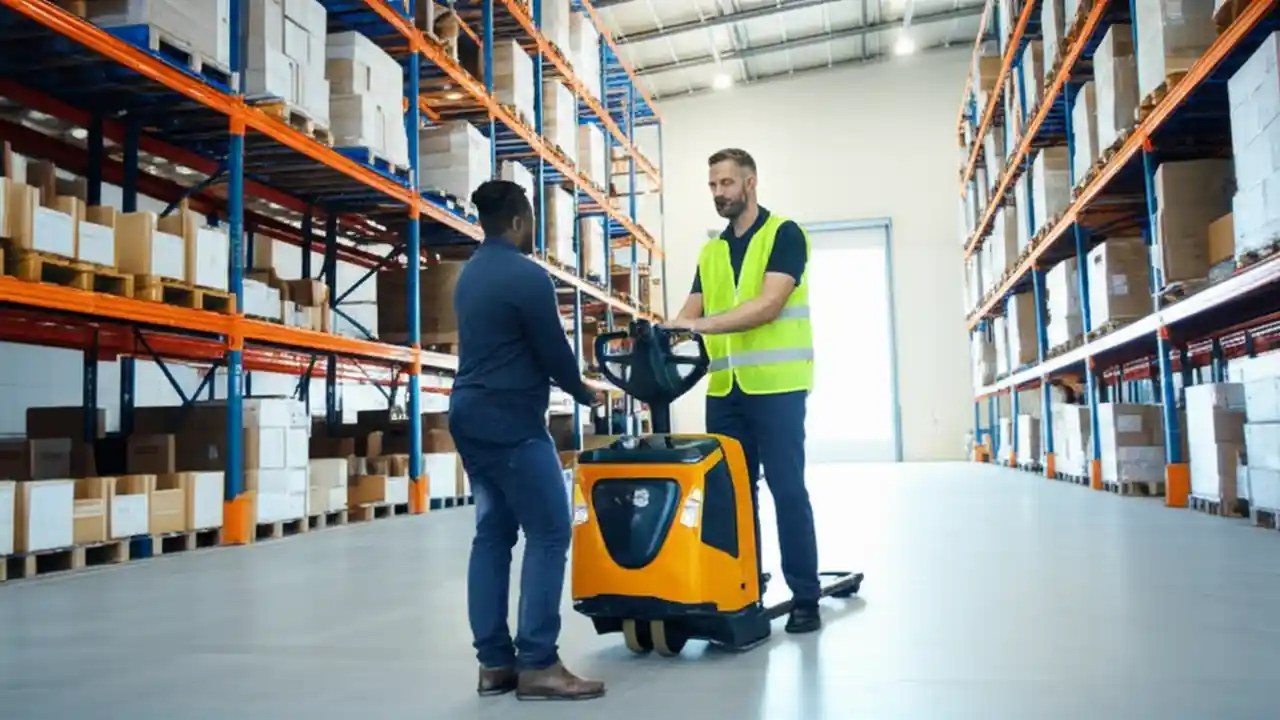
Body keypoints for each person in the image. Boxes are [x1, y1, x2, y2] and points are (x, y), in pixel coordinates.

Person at [448, 179, 605, 701]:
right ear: (519, 221)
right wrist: (588, 394)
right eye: (532, 220)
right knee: (551, 530)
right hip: (510, 423)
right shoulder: (526, 276)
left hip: (468, 416)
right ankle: (537, 663)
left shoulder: (471, 274)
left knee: (493, 534)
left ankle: (494, 664)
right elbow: (554, 354)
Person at [665, 148, 823, 634]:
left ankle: (805, 596)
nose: (719, 194)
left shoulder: (784, 235)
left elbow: (769, 305)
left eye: (727, 184)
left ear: (750, 183)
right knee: (734, 495)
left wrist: (699, 326)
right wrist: (663, 330)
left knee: (786, 489)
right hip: (725, 389)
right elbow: (689, 313)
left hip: (776, 387)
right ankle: (744, 584)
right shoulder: (711, 250)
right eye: (713, 186)